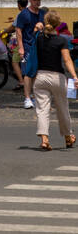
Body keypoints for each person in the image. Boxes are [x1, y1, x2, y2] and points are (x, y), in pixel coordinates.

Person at [34, 10, 78, 150]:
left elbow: (34, 32)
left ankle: (44, 139)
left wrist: (38, 26)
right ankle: (68, 136)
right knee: (62, 108)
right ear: (58, 24)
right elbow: (67, 60)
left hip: (40, 76)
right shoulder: (61, 41)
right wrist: (75, 76)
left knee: (42, 109)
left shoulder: (39, 38)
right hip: (57, 77)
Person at [16, 0, 48, 109]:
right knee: (28, 73)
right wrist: (21, 48)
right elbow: (18, 30)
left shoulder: (43, 14)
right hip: (28, 46)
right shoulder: (24, 14)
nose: (37, 1)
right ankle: (27, 98)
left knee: (38, 73)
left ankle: (35, 96)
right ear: (30, 0)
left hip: (40, 46)